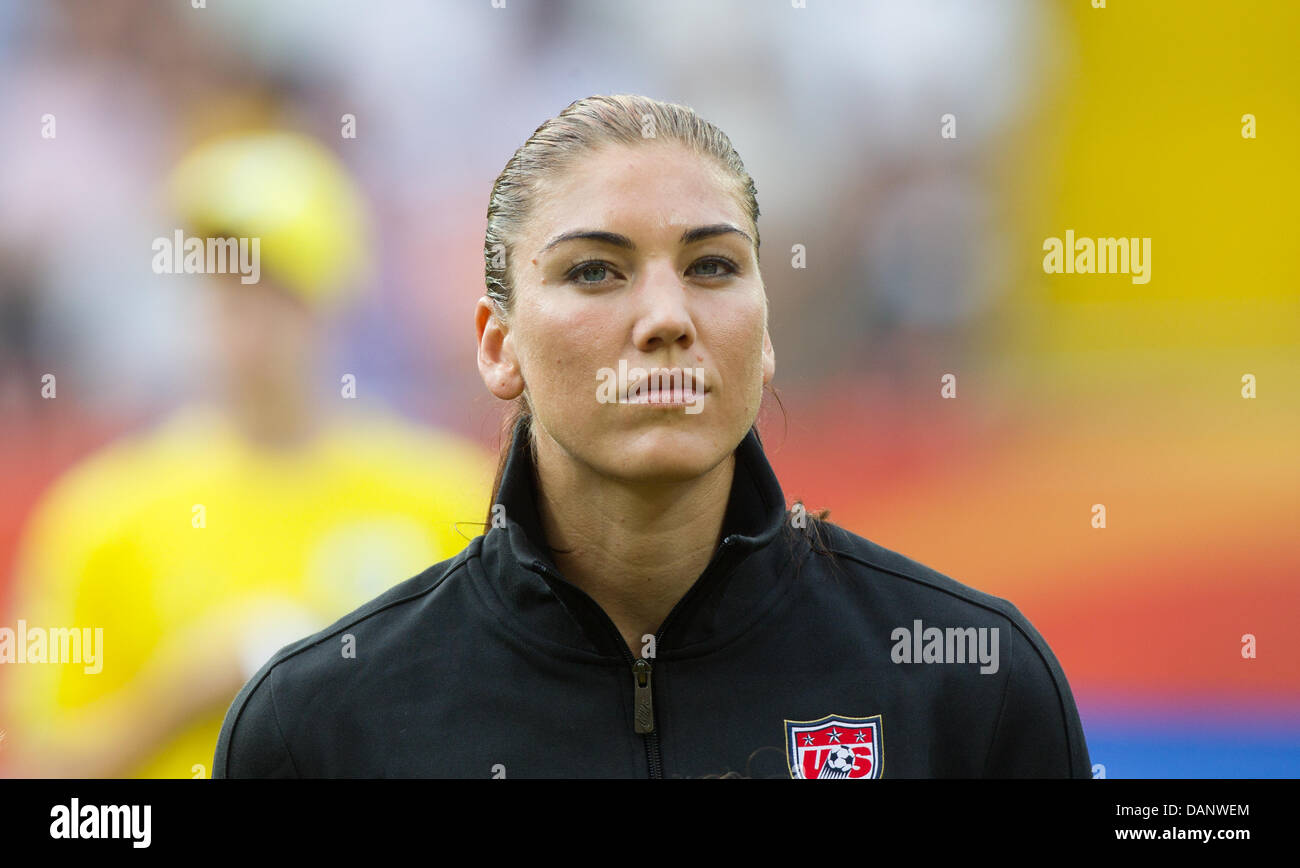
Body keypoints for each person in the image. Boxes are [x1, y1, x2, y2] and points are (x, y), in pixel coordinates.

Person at [214, 95, 1091, 779]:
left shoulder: (971, 683)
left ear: (767, 333)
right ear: (499, 345)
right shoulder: (318, 722)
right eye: (595, 271)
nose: (667, 317)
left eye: (713, 266)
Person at [0, 130, 492, 778]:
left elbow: (516, 724)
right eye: (223, 285)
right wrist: (177, 698)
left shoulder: (447, 498)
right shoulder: (107, 514)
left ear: (329, 299)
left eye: (272, 287)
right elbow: (37, 771)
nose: (243, 321)